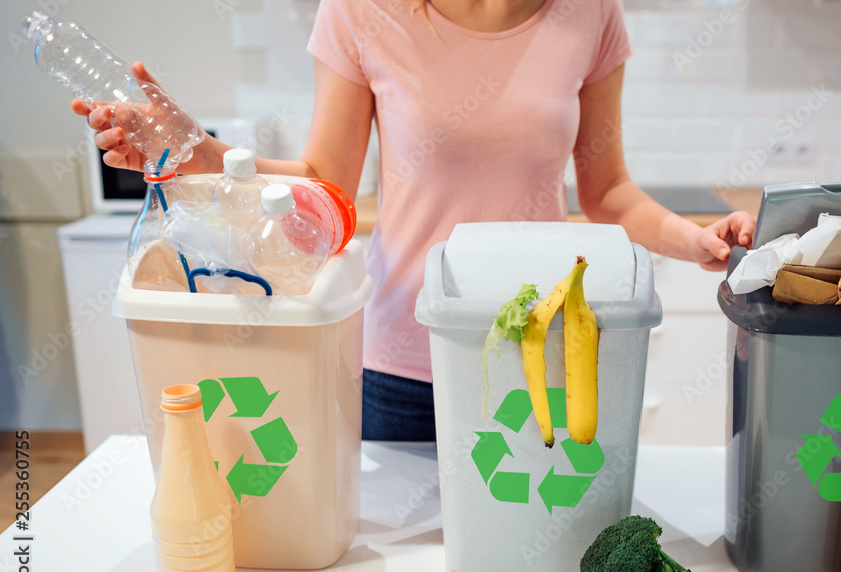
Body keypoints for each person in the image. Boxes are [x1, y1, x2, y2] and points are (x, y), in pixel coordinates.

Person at [73, 0, 756, 442]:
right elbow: (324, 183)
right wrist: (197, 152)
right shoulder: (362, 12)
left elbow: (608, 193)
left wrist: (691, 239)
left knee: (521, 568)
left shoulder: (589, 14)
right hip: (402, 362)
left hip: (533, 350)